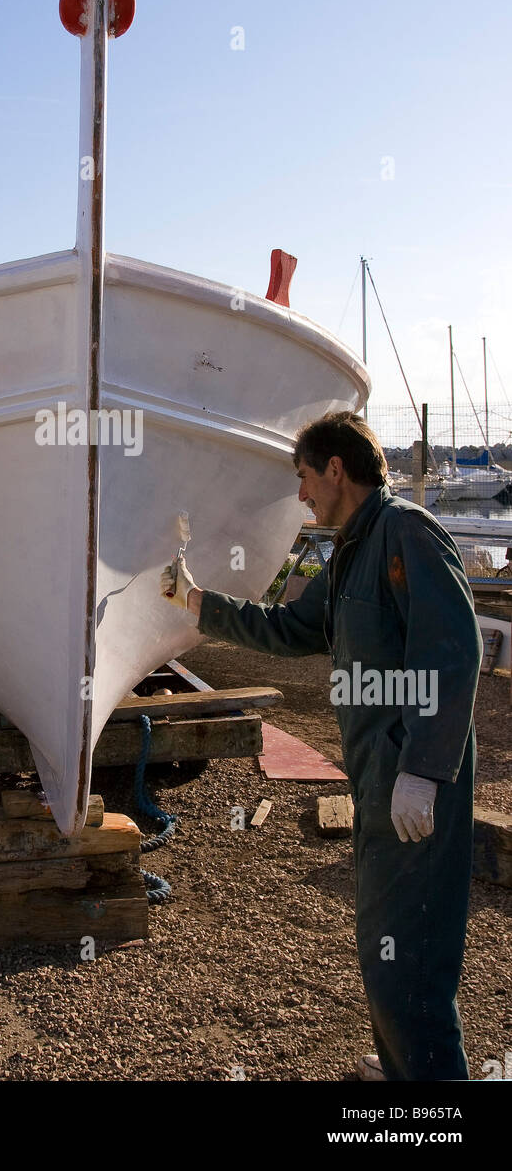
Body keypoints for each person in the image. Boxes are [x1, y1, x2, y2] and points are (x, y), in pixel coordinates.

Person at [160, 411, 481, 1082]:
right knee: (385, 945)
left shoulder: (405, 534)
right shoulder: (350, 552)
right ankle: (403, 1070)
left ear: (335, 468)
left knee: (412, 956)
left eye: (304, 477)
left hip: (413, 783)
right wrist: (196, 601)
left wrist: (422, 770)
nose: (301, 495)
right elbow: (291, 632)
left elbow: (452, 654)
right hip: (375, 779)